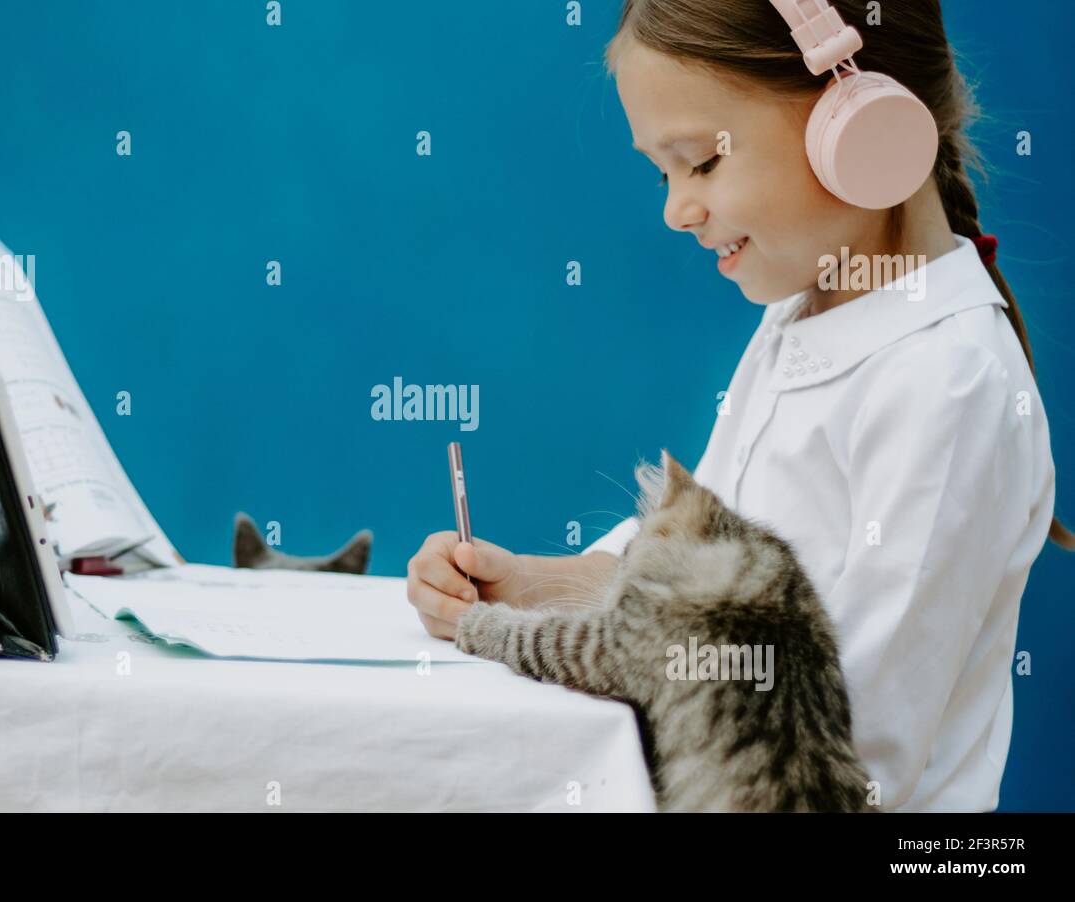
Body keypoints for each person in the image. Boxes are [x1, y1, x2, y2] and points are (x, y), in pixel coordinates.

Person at [406, 0, 1070, 812]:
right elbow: (701, 584)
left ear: (861, 128)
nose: (675, 210)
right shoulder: (801, 315)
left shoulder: (950, 380)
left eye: (702, 163)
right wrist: (536, 586)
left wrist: (591, 669)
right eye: (663, 173)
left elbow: (856, 754)